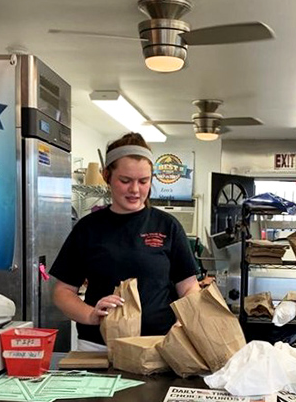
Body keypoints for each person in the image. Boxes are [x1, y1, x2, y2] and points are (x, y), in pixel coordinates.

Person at [50, 132, 200, 350]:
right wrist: (91, 315)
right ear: (107, 176)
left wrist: (184, 320)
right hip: (99, 347)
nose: (135, 190)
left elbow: (189, 287)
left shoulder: (167, 226)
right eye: (125, 180)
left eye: (143, 181)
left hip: (158, 345)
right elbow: (62, 292)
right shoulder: (88, 228)